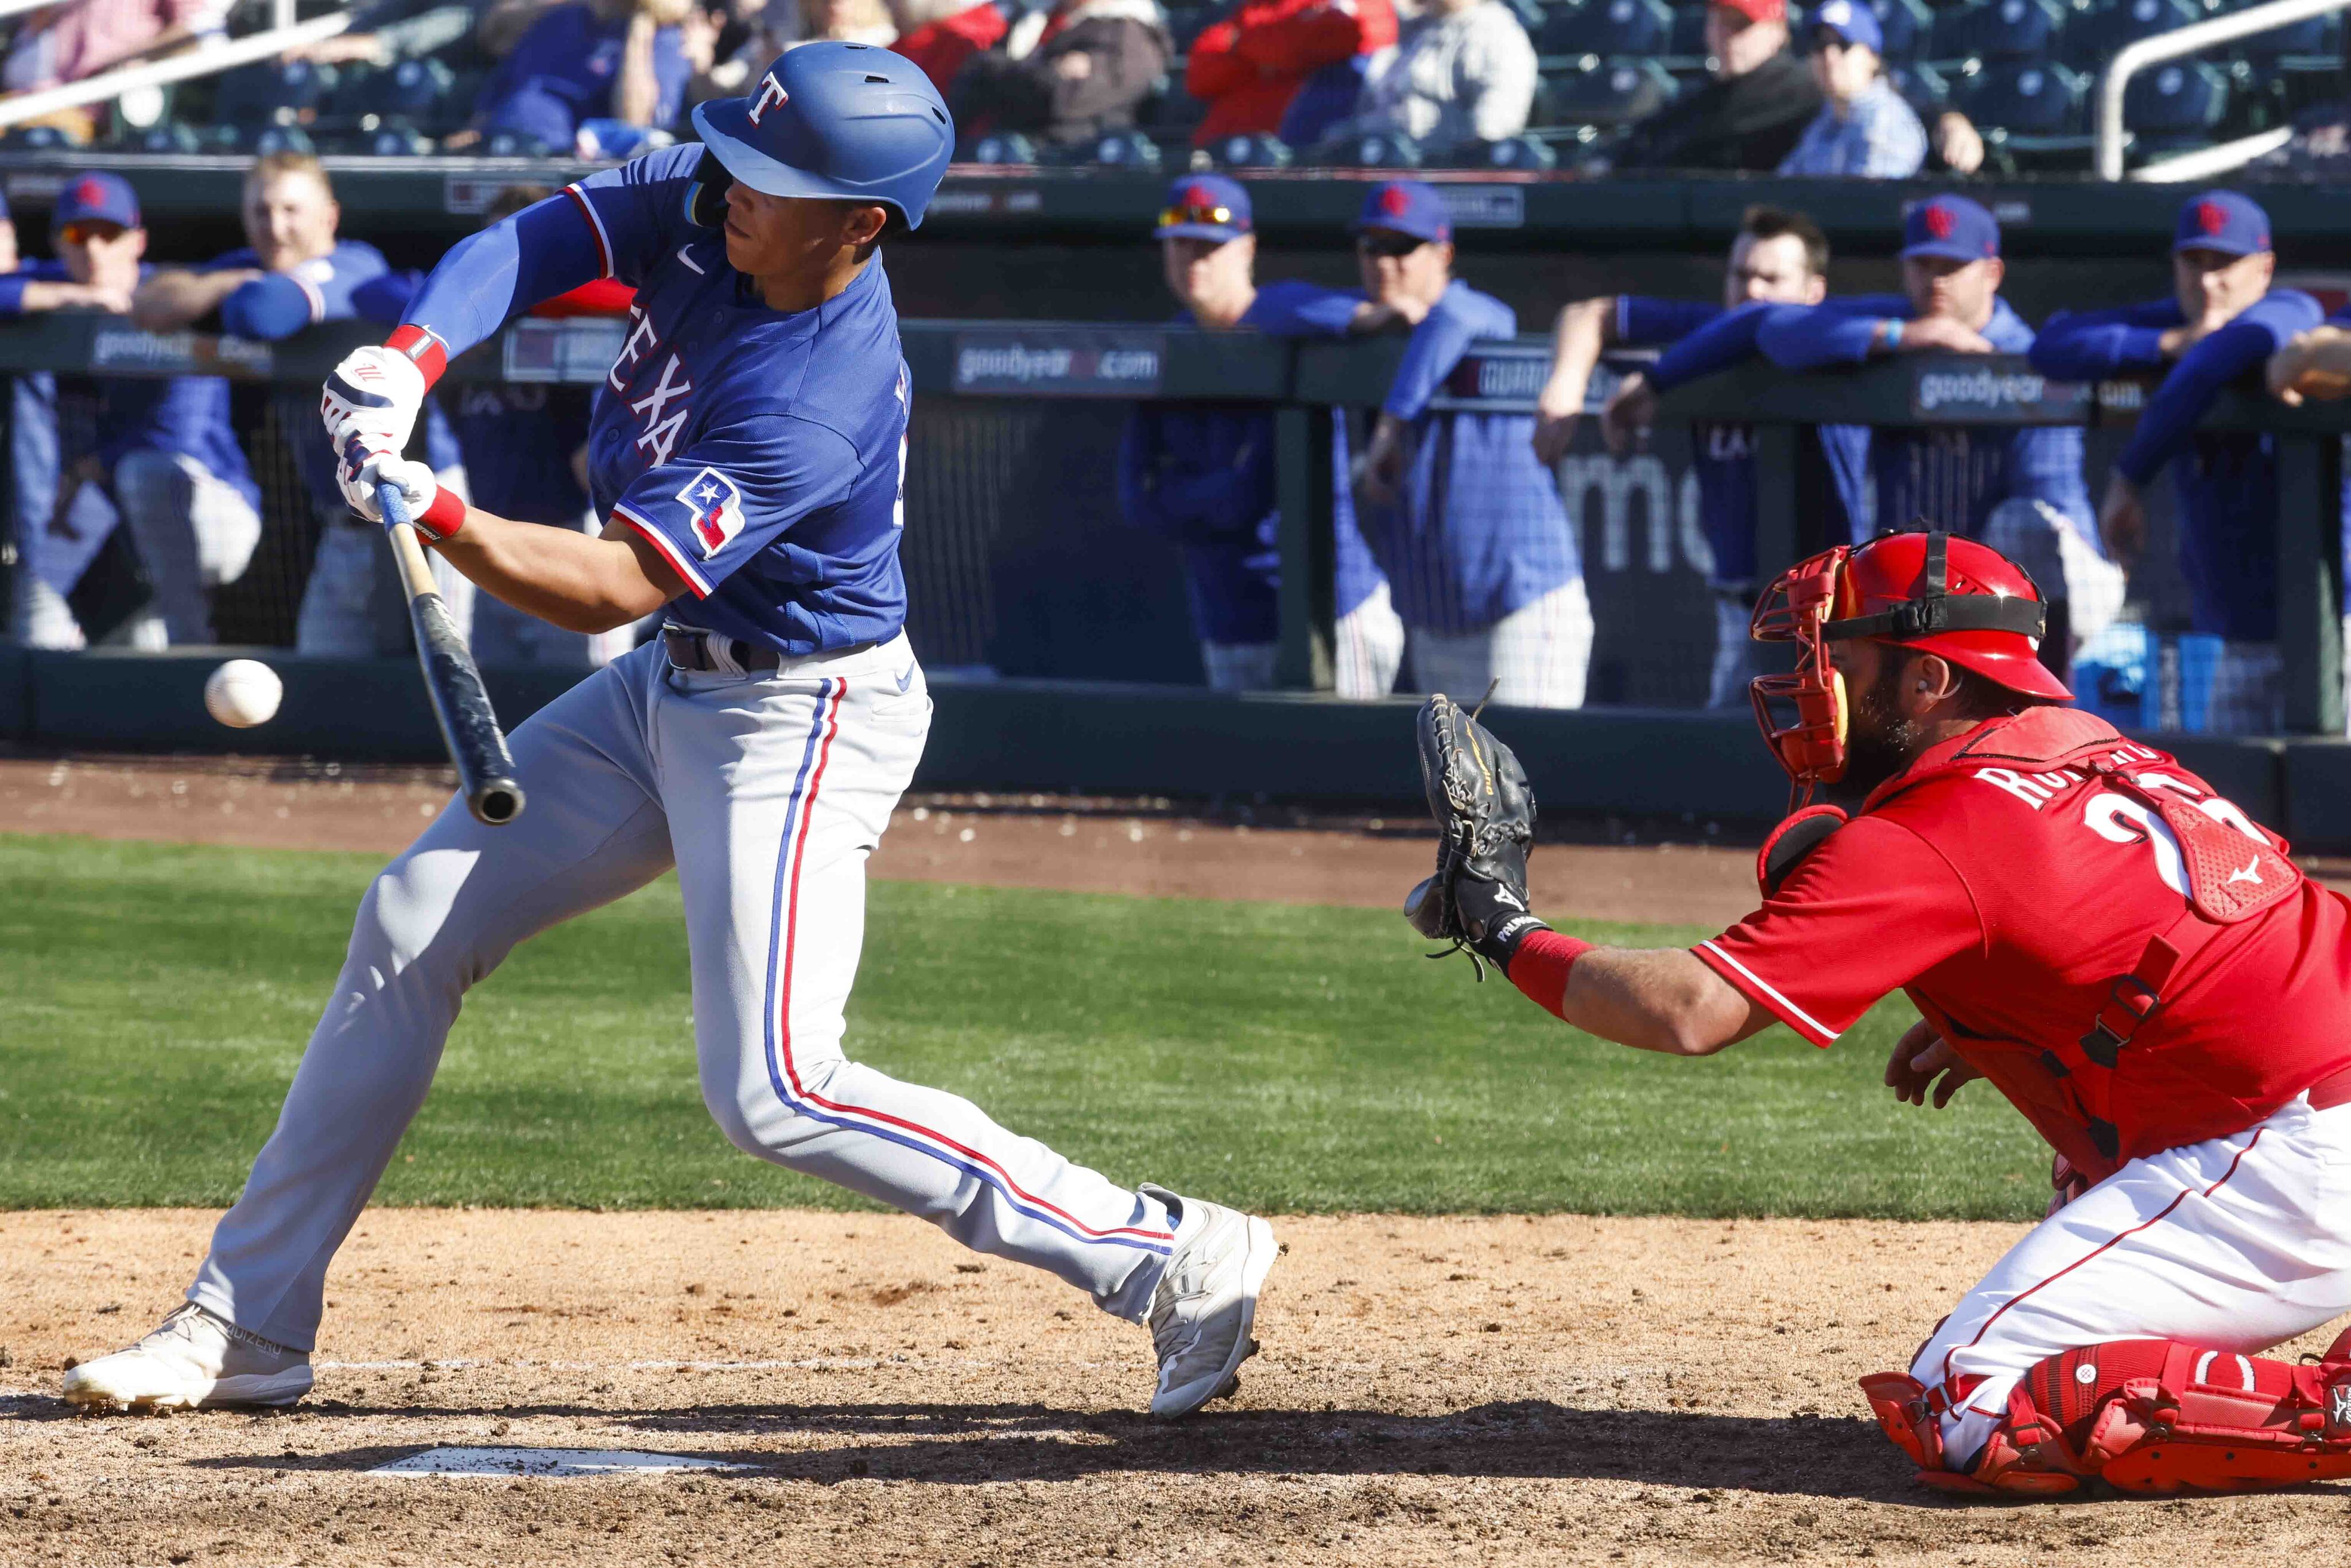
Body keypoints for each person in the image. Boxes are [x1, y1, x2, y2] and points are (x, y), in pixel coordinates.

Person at [61, 44, 1275, 1423]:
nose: (730, 184)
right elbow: (535, 240)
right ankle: (249, 1323)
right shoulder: (721, 202)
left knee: (775, 1088)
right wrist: (407, 361)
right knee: (410, 923)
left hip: (802, 715)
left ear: (860, 222)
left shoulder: (812, 394)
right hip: (669, 690)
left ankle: (1168, 1253)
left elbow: (613, 581)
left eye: (774, 176)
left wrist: (437, 511)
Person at [1412, 527, 2351, 1497]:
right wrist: (2020, 1018)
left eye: (1841, 661)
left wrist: (1503, 924)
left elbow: (1690, 1011)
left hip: (2297, 1157)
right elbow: (2211, 931)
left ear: (1929, 683)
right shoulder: (2115, 758)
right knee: (2084, 1156)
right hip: (2316, 1102)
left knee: (1970, 1404)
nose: (1813, 691)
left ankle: (2337, 1409)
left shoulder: (1935, 825)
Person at [1647, 195, 2119, 667]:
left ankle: (2045, 708)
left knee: (2021, 525)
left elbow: (2044, 510)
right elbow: (1767, 324)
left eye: (1952, 265)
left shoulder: (2024, 357)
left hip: (2061, 587)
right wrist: (1900, 336)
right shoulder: (1903, 321)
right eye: (1922, 264)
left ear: (1991, 274)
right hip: (1941, 583)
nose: (1935, 280)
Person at [1533, 205, 1867, 708]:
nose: (1752, 290)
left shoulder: (1828, 339)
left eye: (1772, 278)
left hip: (1831, 612)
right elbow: (1587, 314)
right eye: (1742, 275)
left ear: (1813, 292)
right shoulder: (1709, 333)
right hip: (1741, 612)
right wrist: (1565, 387)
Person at [2035, 192, 2323, 736]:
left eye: (2225, 264)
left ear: (2264, 269)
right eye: (2195, 262)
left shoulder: (2292, 312)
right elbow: (2052, 346)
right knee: (2237, 808)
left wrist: (2128, 478)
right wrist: (2168, 341)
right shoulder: (2178, 324)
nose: (2208, 281)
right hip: (2239, 635)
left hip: (2330, 627)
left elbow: (2219, 356)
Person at [1116, 174, 1405, 697]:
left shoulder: (1290, 314)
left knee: (1341, 774)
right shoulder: (1171, 345)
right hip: (1226, 616)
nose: (1193, 261)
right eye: (1181, 244)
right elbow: (1139, 500)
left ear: (1246, 249)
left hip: (1331, 615)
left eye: (1209, 247)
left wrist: (1192, 497)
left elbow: (1382, 318)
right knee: (1244, 775)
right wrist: (1219, 494)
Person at [352, 186, 638, 667]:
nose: (513, 264)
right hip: (489, 544)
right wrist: (472, 315)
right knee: (497, 688)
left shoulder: (570, 309)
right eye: (501, 242)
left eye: (531, 248)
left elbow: (623, 296)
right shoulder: (459, 318)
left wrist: (527, 309)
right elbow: (373, 293)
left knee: (581, 689)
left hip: (570, 542)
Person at [131, 152, 391, 653]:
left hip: (423, 513)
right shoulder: (254, 268)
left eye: (291, 211)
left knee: (439, 690)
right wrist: (230, 279)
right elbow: (149, 305)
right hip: (344, 526)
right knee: (322, 682)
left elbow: (264, 312)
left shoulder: (357, 265)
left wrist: (224, 291)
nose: (275, 227)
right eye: (260, 212)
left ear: (328, 217)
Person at [1352, 181, 1585, 707]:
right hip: (1436, 610)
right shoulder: (1368, 330)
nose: (1385, 263)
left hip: (1521, 599)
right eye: (1372, 247)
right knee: (1456, 785)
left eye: (1402, 247)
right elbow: (1288, 308)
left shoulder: (1478, 318)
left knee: (1522, 775)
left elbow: (1461, 317)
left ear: (1443, 254)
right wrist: (1357, 318)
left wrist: (1388, 429)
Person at [2, 176, 249, 651]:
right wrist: (56, 299)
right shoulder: (55, 288)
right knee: (45, 636)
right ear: (58, 243)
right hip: (94, 516)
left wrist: (82, 473)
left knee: (145, 473)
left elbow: (171, 435)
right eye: (77, 235)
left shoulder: (172, 297)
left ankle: (190, 646)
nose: (93, 250)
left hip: (207, 509)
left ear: (137, 241)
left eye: (109, 234)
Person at [1602, 0, 1818, 173]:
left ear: (1777, 32)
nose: (1729, 37)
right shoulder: (1699, 97)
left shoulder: (1803, 90)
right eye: (1721, 23)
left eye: (1742, 25)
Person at [460, 0, 693, 154]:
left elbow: (634, 124)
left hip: (560, 157)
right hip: (496, 146)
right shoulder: (559, 18)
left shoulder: (663, 38)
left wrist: (641, 27)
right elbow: (504, 83)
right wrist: (471, 135)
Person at [1316, 0, 1534, 152]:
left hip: (1438, 180)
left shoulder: (1498, 35)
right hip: (1376, 166)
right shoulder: (1413, 33)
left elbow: (1491, 132)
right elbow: (1370, 112)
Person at [948, 0, 1171, 147]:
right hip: (995, 161)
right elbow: (973, 77)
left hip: (1075, 173)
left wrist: (998, 72)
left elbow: (1064, 98)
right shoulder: (1032, 20)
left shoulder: (1130, 33)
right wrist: (1049, 71)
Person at [1183, 0, 1396, 148]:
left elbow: (1342, 36)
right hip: (1221, 151)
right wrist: (1272, 50)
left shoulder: (1359, 6)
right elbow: (1199, 75)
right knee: (1186, 208)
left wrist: (1240, 44)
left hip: (1298, 157)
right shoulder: (1255, 7)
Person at [1776, 0, 1925, 178]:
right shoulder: (1825, 120)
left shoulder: (1884, 120)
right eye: (1820, 46)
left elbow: (1867, 202)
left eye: (1843, 45)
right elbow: (1785, 186)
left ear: (1872, 57)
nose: (1829, 57)